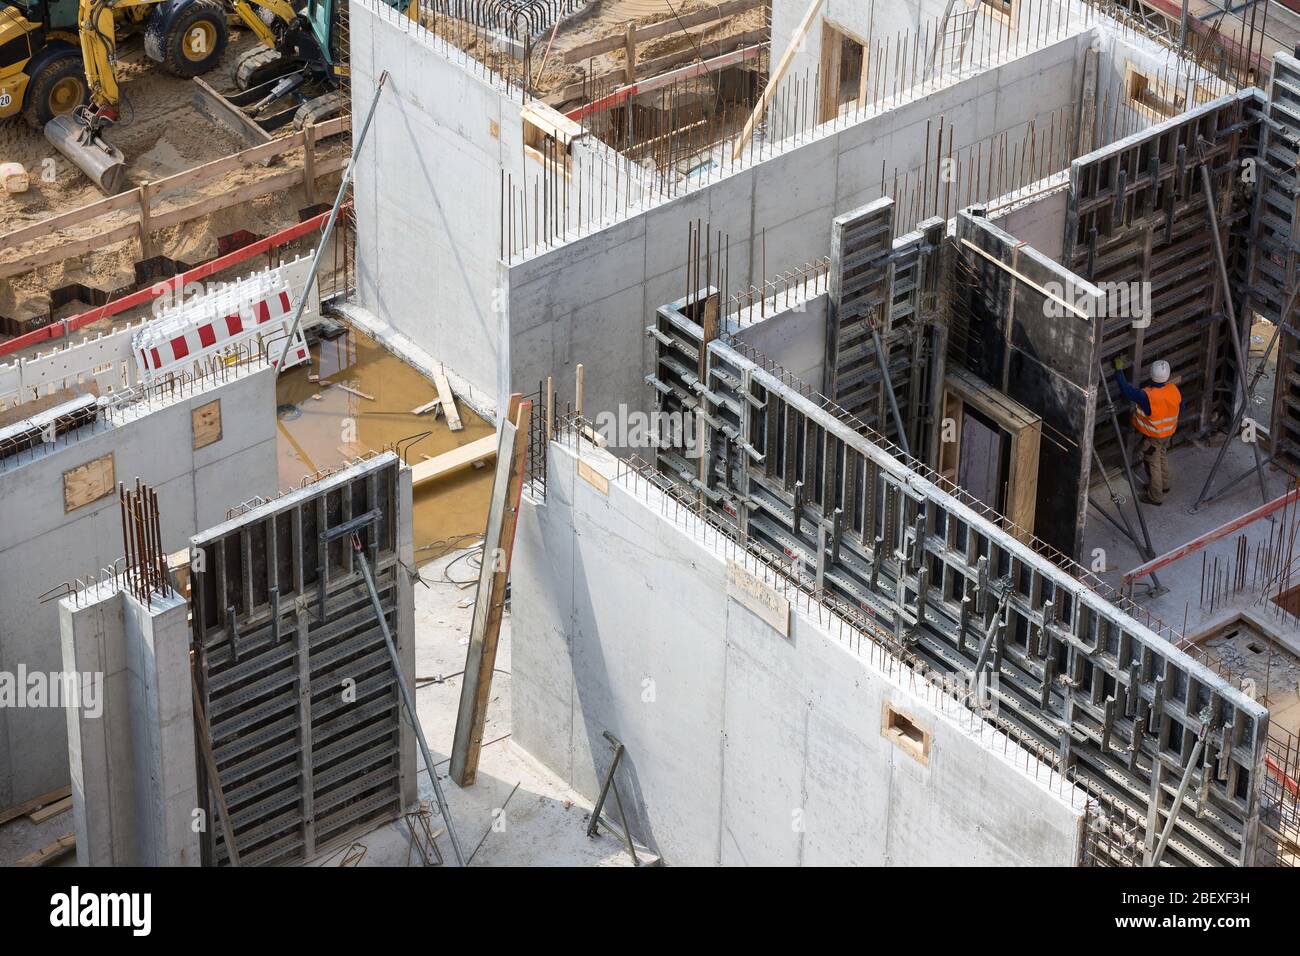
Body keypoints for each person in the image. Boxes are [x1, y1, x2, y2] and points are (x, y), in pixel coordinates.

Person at [1113, 357, 1182, 505]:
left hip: (1154, 437)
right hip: (1168, 433)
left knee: (1153, 462)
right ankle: (1164, 485)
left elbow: (1126, 390)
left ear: (1151, 374)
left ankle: (1155, 496)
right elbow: (1180, 407)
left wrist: (1119, 371)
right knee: (1162, 456)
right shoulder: (1173, 390)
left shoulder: (1146, 396)